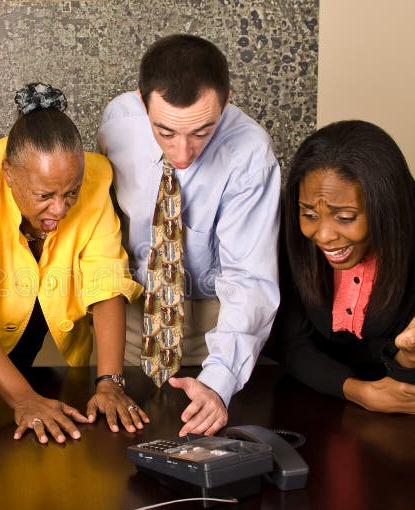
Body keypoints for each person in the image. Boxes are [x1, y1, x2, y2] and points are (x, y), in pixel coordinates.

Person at [0, 83, 145, 445]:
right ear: (8, 173)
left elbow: (107, 277)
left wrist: (110, 383)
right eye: (44, 196)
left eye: (71, 193)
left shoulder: (96, 176)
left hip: (34, 329)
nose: (60, 209)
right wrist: (23, 398)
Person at [97, 34, 281, 436]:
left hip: (214, 323)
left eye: (201, 132)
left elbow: (248, 280)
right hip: (130, 317)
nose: (182, 154)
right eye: (165, 132)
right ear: (142, 101)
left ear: (226, 100)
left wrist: (219, 381)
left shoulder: (250, 154)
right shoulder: (117, 122)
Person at [273, 119, 415, 414]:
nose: (323, 236)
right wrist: (360, 393)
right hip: (307, 392)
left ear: (386, 207)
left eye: (345, 217)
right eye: (309, 215)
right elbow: (288, 342)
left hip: (398, 413)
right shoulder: (284, 224)